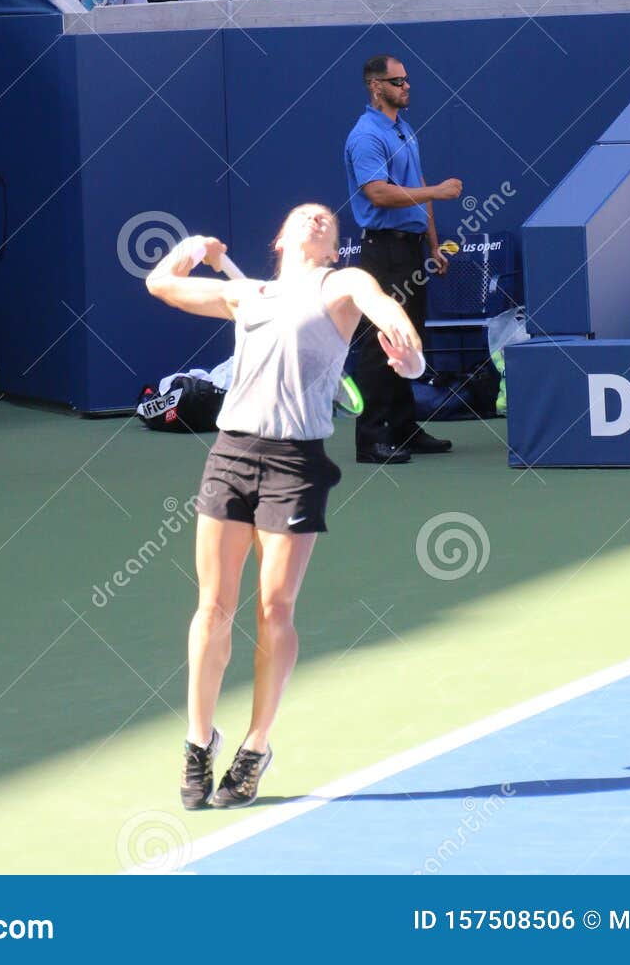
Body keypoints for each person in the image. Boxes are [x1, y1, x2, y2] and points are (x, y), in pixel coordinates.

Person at [146, 204, 422, 811]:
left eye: (328, 220)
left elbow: (383, 306)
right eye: (306, 216)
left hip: (297, 464)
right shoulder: (246, 293)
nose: (318, 220)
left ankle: (255, 747)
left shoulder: (341, 284)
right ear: (281, 236)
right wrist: (194, 244)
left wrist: (411, 355)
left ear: (333, 246)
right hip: (231, 454)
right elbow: (160, 285)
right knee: (214, 606)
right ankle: (199, 740)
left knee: (275, 606)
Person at [344, 54, 462, 464]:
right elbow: (378, 193)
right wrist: (438, 193)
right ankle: (371, 438)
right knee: (382, 343)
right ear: (376, 86)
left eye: (408, 80)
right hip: (383, 252)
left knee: (409, 340)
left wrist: (432, 245)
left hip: (410, 250)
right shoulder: (365, 137)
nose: (407, 87)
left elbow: (417, 187)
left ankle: (404, 429)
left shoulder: (404, 129)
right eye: (398, 82)